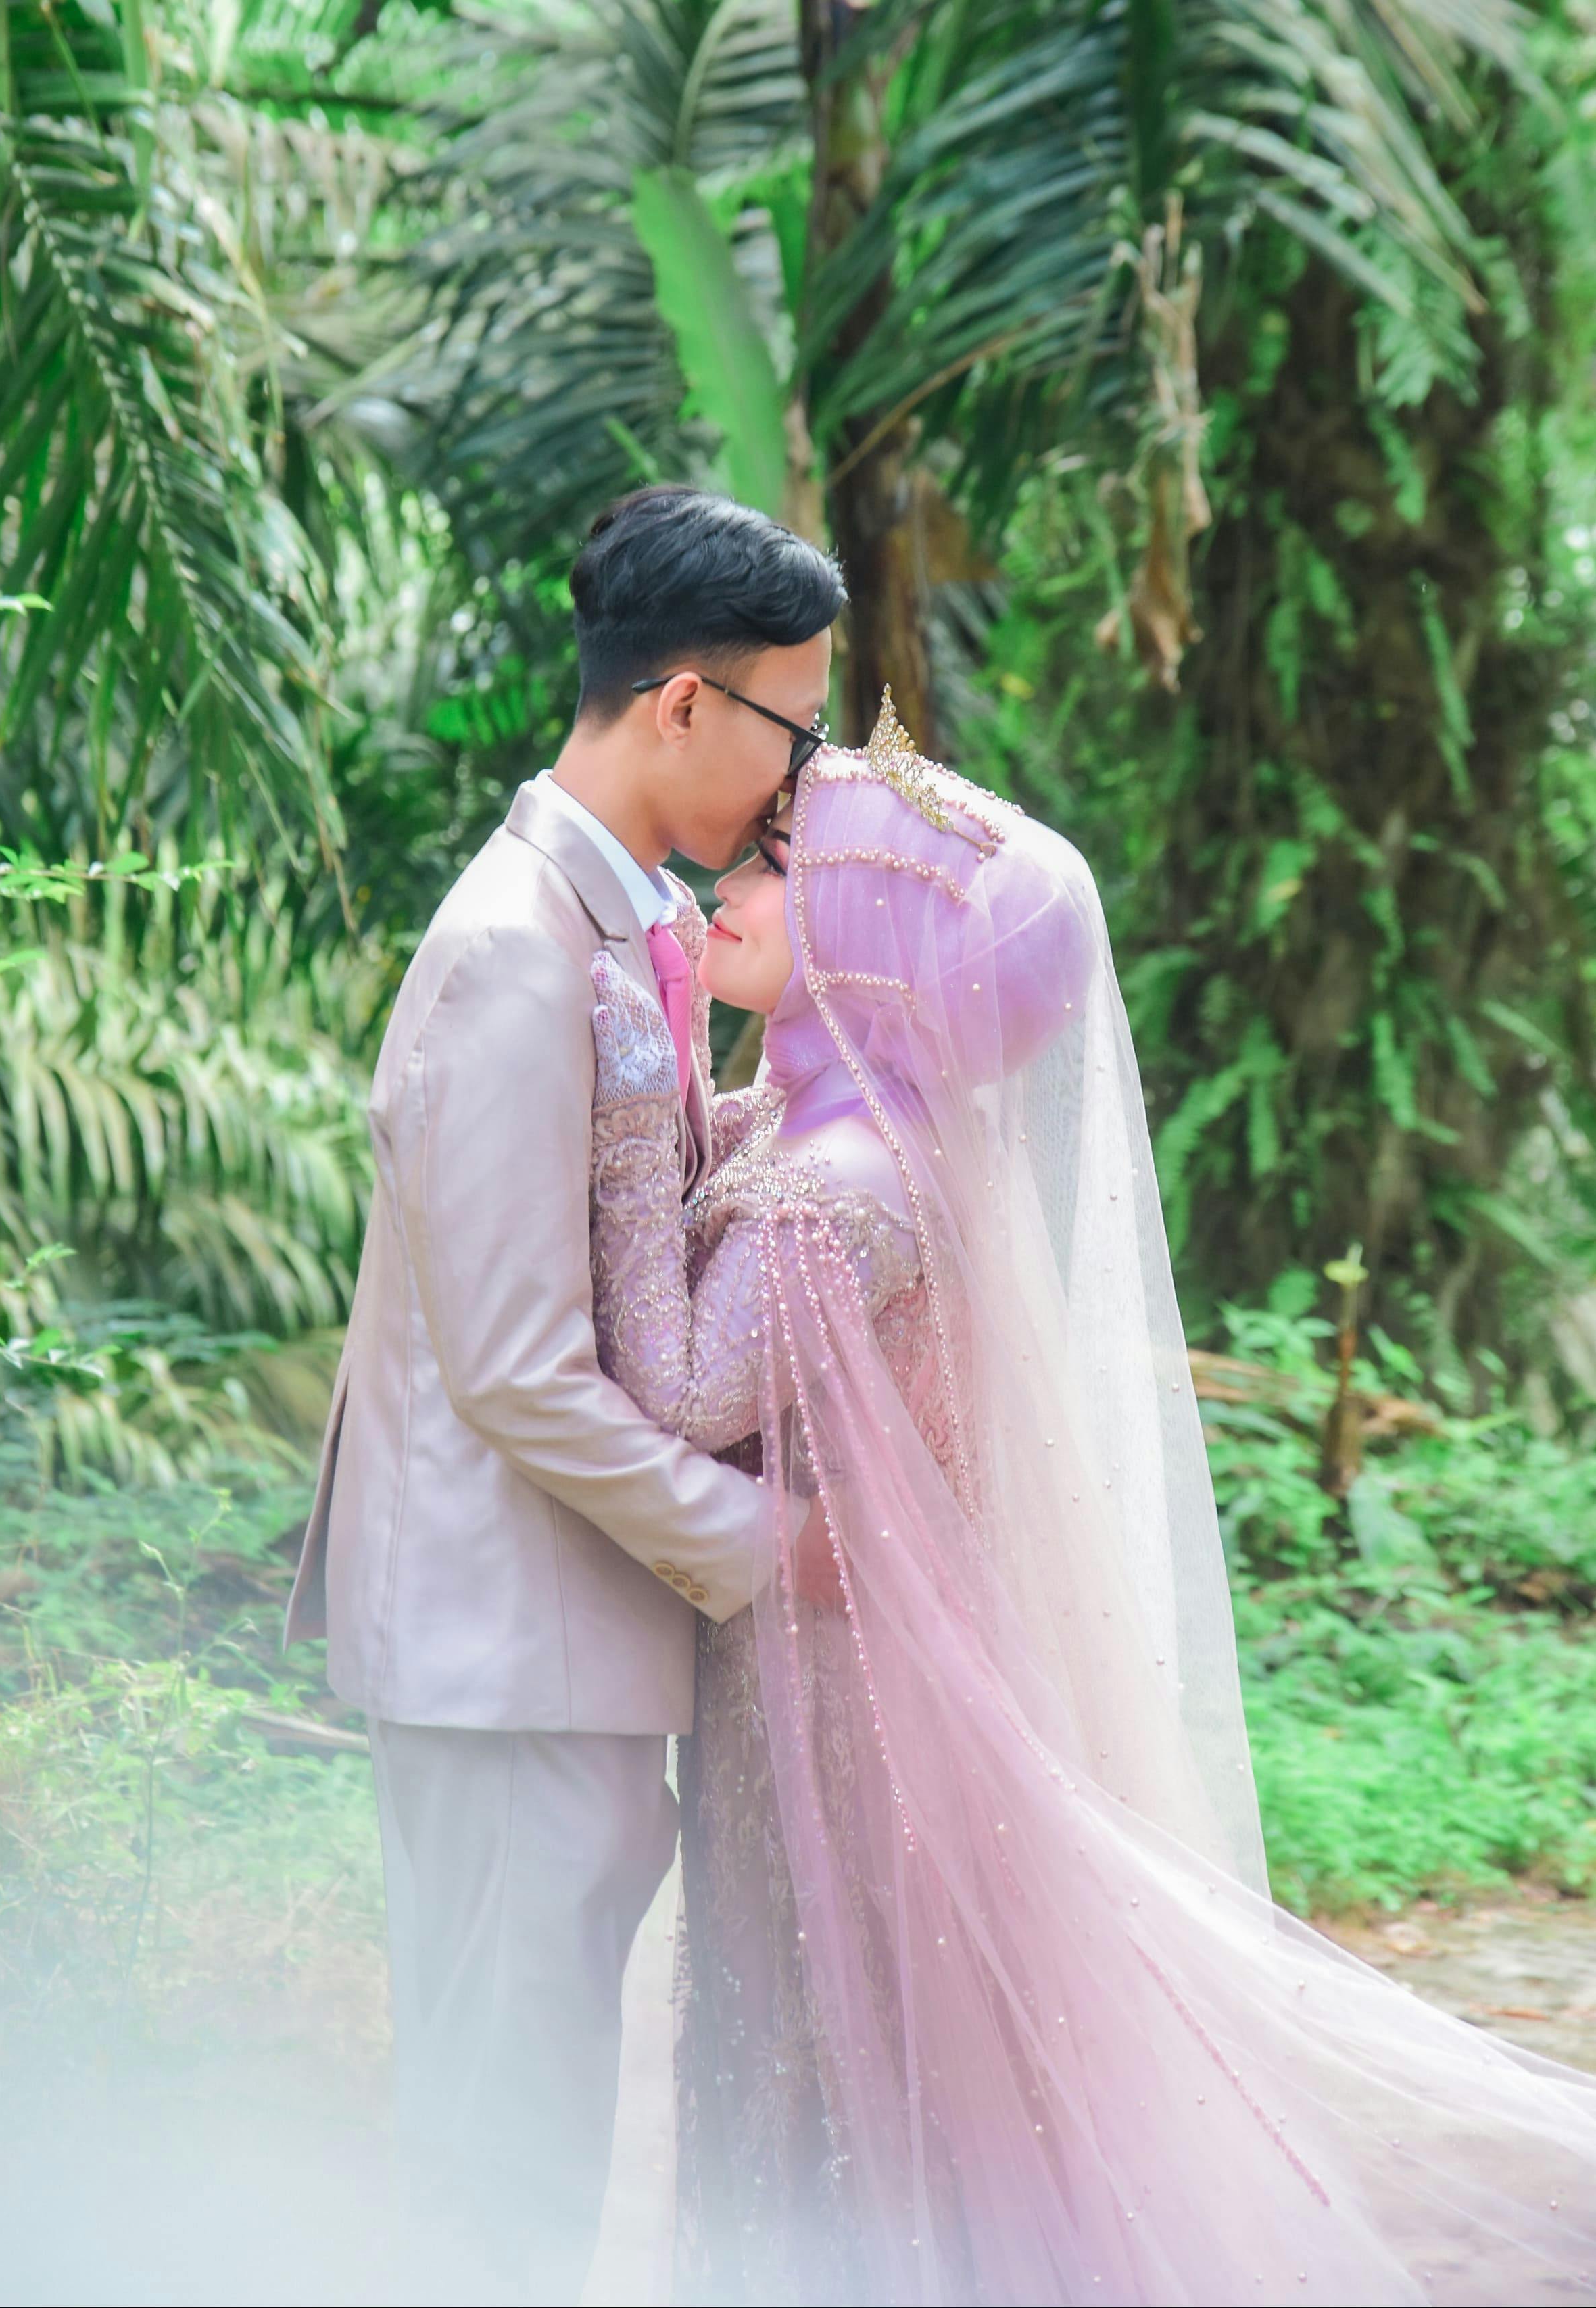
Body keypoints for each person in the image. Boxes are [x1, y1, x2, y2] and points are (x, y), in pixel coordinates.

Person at [585, 692, 1596, 2307]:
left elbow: (692, 1392)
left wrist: (638, 1131)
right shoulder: (840, 1118)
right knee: (842, 2029)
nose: (736, 890)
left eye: (781, 871)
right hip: (850, 1659)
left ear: (861, 939)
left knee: (834, 2028)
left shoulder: (832, 1189)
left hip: (837, 1694)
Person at [283, 486, 844, 2303]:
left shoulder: (613, 929)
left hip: (553, 1644)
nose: (799, 780)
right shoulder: (514, 952)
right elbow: (520, 1367)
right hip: (499, 1643)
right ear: (681, 702)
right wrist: (760, 1540)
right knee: (499, 2165)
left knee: (529, 2144)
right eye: (792, 726)